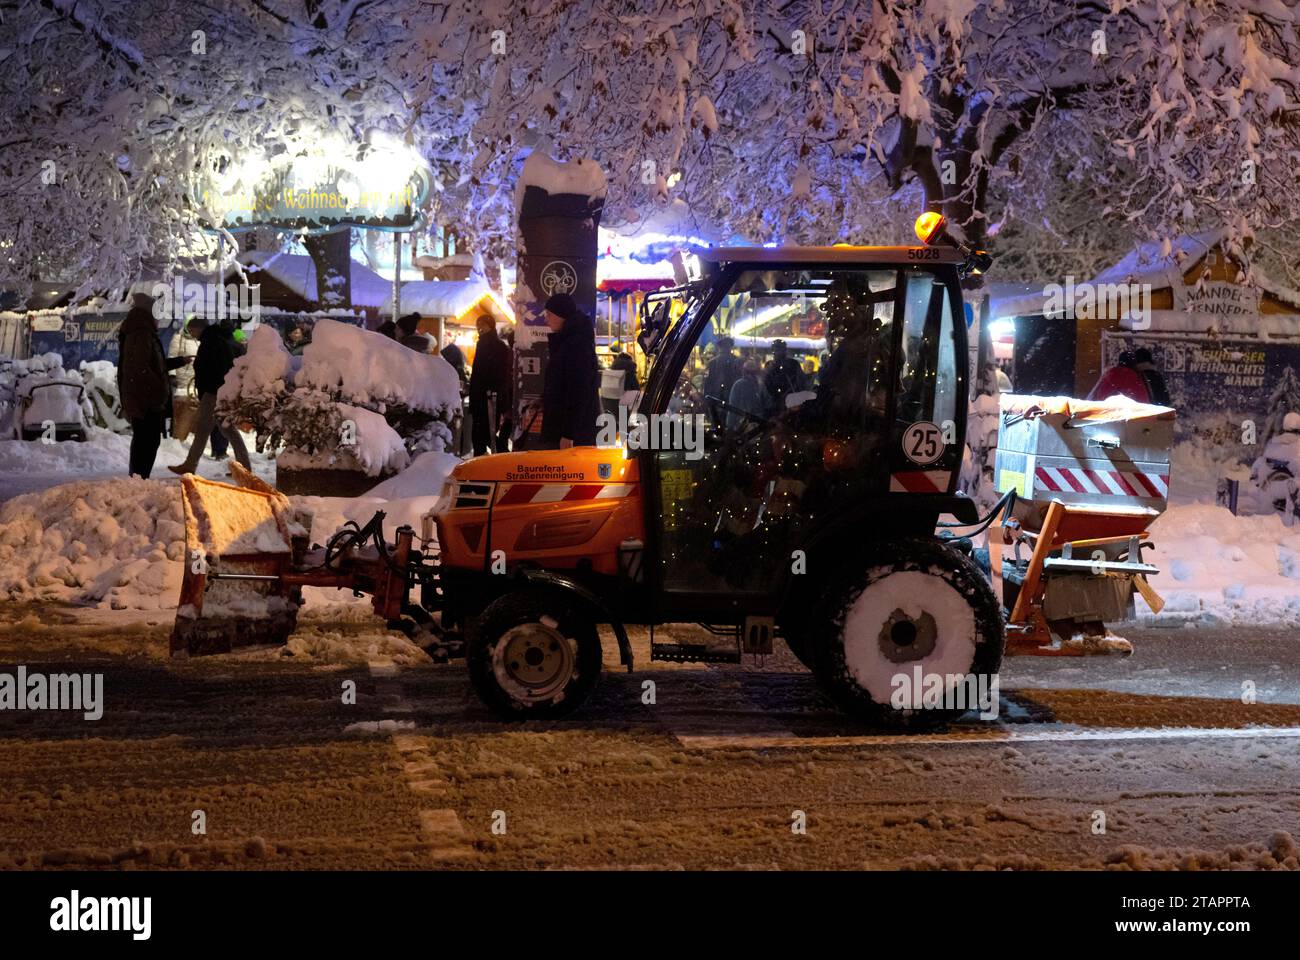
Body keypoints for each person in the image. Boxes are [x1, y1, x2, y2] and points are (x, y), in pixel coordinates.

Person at [167, 317, 251, 474]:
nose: (192, 334)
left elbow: (212, 368)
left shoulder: (211, 341)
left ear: (199, 328)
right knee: (220, 429)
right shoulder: (219, 338)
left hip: (213, 392)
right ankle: (244, 466)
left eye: (192, 330)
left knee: (210, 428)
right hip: (220, 390)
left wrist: (208, 389)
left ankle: (191, 465)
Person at [118, 296, 189, 478]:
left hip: (144, 396)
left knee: (147, 440)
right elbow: (138, 367)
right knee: (147, 440)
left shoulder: (142, 332)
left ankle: (139, 478)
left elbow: (152, 364)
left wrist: (180, 361)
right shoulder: (140, 333)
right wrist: (158, 389)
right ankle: (139, 479)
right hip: (145, 398)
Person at [540, 292, 601, 448]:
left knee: (568, 472)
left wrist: (569, 434)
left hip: (570, 433)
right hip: (565, 428)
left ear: (562, 315)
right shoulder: (568, 341)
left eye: (549, 314)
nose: (546, 319)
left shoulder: (576, 344)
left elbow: (578, 390)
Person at [468, 314, 511, 456]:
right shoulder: (483, 344)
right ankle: (491, 460)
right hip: (481, 396)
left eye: (482, 324)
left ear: (490, 326)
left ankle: (503, 458)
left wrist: (497, 394)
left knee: (486, 434)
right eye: (477, 324)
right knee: (481, 435)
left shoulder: (497, 346)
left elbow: (500, 375)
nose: (479, 327)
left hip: (489, 397)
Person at [1088, 347, 1171, 406]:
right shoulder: (1140, 376)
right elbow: (1143, 399)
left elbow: (1097, 396)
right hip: (1150, 414)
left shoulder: (1111, 373)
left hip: (1107, 414)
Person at [703, 334, 743, 425]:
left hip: (715, 399)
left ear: (719, 347)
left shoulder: (712, 362)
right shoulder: (736, 361)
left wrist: (706, 400)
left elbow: (707, 383)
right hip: (732, 401)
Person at [763, 338, 807, 410]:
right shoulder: (769, 365)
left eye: (780, 349)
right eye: (777, 350)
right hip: (774, 401)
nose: (778, 352)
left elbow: (800, 382)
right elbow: (766, 383)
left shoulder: (793, 364)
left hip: (790, 401)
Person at [725, 358, 765, 430]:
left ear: (743, 371)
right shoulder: (761, 385)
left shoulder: (738, 384)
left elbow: (733, 407)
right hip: (758, 426)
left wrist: (729, 427)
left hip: (741, 426)